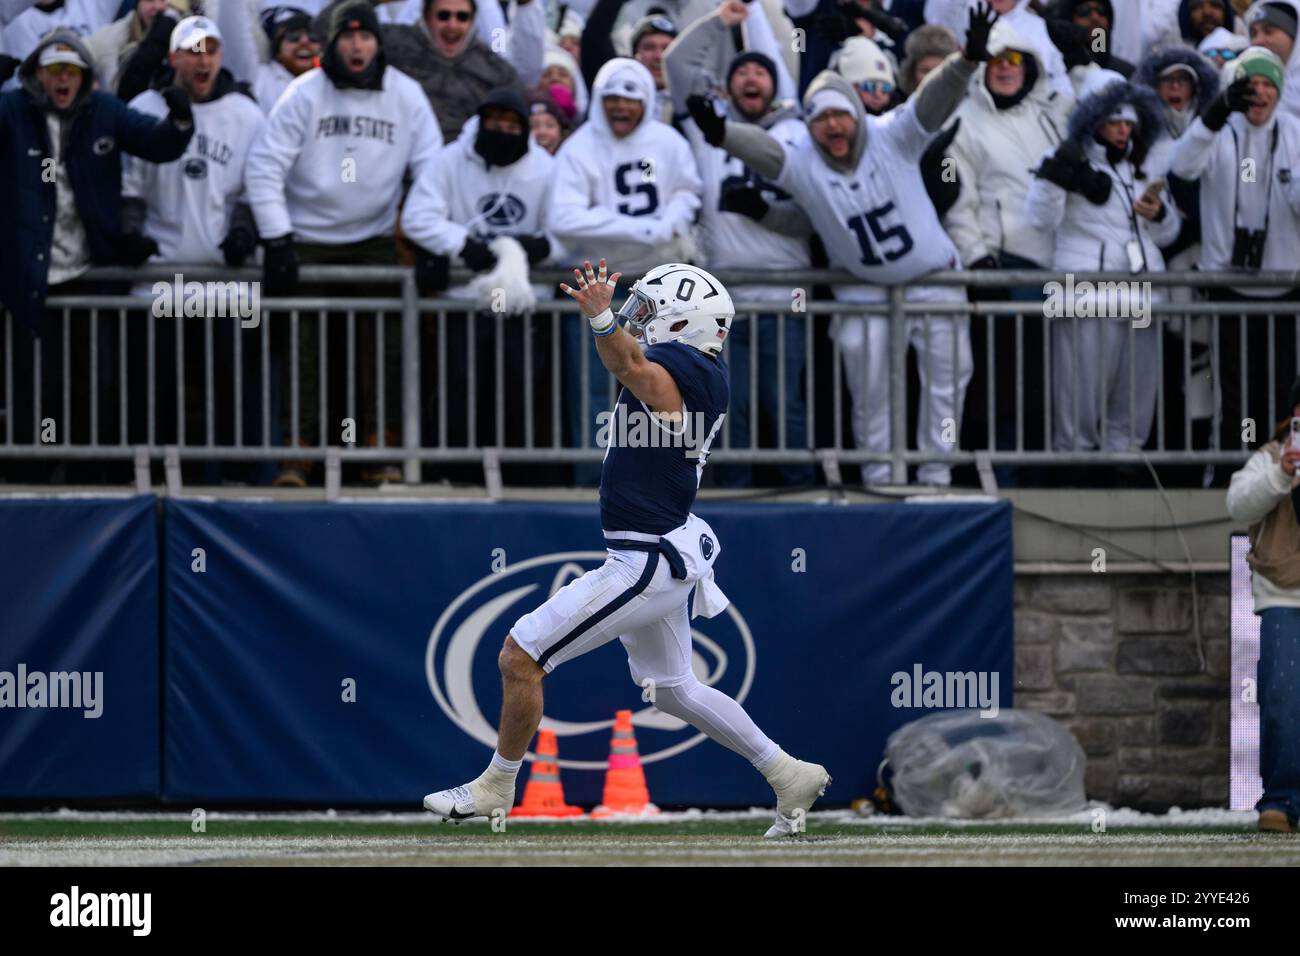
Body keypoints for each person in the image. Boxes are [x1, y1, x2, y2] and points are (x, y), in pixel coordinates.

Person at [422, 256, 832, 839]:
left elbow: (633, 365)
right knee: (674, 690)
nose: (639, 318)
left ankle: (498, 782)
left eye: (652, 310)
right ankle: (787, 772)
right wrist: (611, 323)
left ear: (682, 323)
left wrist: (600, 319)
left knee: (520, 655)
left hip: (644, 561)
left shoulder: (686, 369)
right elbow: (635, 362)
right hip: (658, 550)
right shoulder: (693, 365)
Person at [689, 2, 1000, 486]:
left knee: (946, 384)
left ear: (856, 113)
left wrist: (966, 61)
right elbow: (766, 152)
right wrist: (721, 133)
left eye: (840, 116)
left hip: (933, 276)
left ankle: (936, 478)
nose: (833, 128)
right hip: (863, 285)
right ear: (809, 128)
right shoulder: (806, 161)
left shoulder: (892, 134)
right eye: (821, 121)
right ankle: (880, 477)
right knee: (871, 389)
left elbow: (932, 101)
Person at [245, 1, 442, 485]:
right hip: (306, 239)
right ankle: (298, 455)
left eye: (366, 37)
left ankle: (377, 454)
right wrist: (275, 238)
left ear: (378, 43)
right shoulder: (304, 93)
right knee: (302, 350)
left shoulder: (406, 95)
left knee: (380, 350)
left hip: (375, 239)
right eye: (348, 37)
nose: (358, 46)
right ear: (332, 43)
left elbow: (433, 171)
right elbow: (264, 166)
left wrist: (430, 240)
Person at [0, 29, 192, 476]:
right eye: (54, 71)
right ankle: (36, 474)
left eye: (72, 71)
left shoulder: (103, 111)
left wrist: (180, 116)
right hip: (32, 274)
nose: (63, 80)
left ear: (86, 77)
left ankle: (90, 474)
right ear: (37, 76)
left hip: (91, 270)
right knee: (34, 384)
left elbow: (158, 142)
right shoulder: (12, 111)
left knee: (96, 383)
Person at [666, 0, 814, 487]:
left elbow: (819, 218)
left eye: (761, 71)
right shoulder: (709, 131)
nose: (752, 78)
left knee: (784, 403)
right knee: (728, 407)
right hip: (721, 301)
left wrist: (765, 211)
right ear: (728, 87)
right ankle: (731, 499)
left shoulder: (800, 135)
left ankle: (800, 495)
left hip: (785, 295)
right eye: (742, 71)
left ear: (774, 84)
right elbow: (676, 65)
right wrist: (721, 20)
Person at [122, 15, 268, 482]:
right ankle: (160, 479)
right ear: (173, 57)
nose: (203, 59)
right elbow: (130, 185)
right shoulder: (145, 106)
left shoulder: (245, 112)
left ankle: (236, 481)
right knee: (157, 391)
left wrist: (244, 231)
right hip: (160, 280)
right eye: (193, 50)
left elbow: (254, 185)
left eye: (211, 49)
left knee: (233, 390)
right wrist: (131, 234)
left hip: (227, 284)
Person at [548, 57, 701, 483]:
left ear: (647, 100)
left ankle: (667, 481)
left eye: (630, 99)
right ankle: (594, 481)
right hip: (599, 287)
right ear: (598, 99)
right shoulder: (580, 147)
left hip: (659, 290)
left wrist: (670, 222)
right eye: (612, 97)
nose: (620, 106)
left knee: (661, 387)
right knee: (594, 391)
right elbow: (563, 217)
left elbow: (689, 192)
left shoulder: (668, 142)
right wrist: (648, 231)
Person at [400, 87, 557, 474]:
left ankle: (522, 478)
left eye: (510, 125)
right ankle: (456, 474)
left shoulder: (548, 168)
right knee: (460, 391)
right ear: (480, 123)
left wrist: (543, 248)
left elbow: (567, 230)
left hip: (525, 304)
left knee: (521, 392)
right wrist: (460, 245)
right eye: (494, 123)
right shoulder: (451, 160)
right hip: (464, 302)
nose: (501, 131)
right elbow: (417, 217)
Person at [944, 20, 1075, 483]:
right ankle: (1004, 481)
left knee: (1050, 386)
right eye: (996, 60)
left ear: (1031, 66)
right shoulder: (965, 120)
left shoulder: (1048, 117)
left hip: (1054, 269)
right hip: (1002, 269)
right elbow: (960, 200)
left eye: (1015, 60)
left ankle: (1047, 481)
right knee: (1003, 386)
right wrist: (977, 256)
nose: (1005, 69)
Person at [1026, 73, 1180, 464]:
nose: (1122, 131)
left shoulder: (1144, 166)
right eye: (1114, 122)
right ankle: (1074, 462)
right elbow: (1040, 220)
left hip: (1142, 293)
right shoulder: (1062, 157)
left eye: (1128, 123)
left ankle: (1125, 459)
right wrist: (1051, 179)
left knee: (1136, 390)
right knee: (1079, 389)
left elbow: (1167, 234)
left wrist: (1160, 215)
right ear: (1093, 120)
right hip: (1086, 293)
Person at [1169, 46, 1300, 470]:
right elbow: (1181, 168)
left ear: (1279, 91)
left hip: (1285, 289)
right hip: (1228, 289)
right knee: (1236, 395)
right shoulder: (1218, 131)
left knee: (1283, 394)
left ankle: (1279, 482)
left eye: (1267, 84)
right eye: (1251, 85)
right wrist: (1214, 114)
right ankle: (1233, 479)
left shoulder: (1295, 133)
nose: (1259, 94)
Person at [1225, 376, 1300, 833]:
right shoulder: (1269, 457)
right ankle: (1282, 800)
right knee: (1281, 698)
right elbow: (1237, 507)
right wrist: (1282, 474)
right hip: (1284, 594)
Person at [82, 0, 184, 96]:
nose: (156, 6)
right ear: (137, 4)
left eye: (162, 0)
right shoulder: (112, 38)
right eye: (149, 0)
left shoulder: (181, 34)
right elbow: (113, 91)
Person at [253, 5, 321, 113]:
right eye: (293, 36)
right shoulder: (258, 77)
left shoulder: (333, 81)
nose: (305, 41)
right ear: (278, 52)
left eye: (313, 36)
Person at [1245, 1, 1300, 121]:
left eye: (1268, 31)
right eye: (1253, 34)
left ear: (1295, 37)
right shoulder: (1242, 85)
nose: (1257, 41)